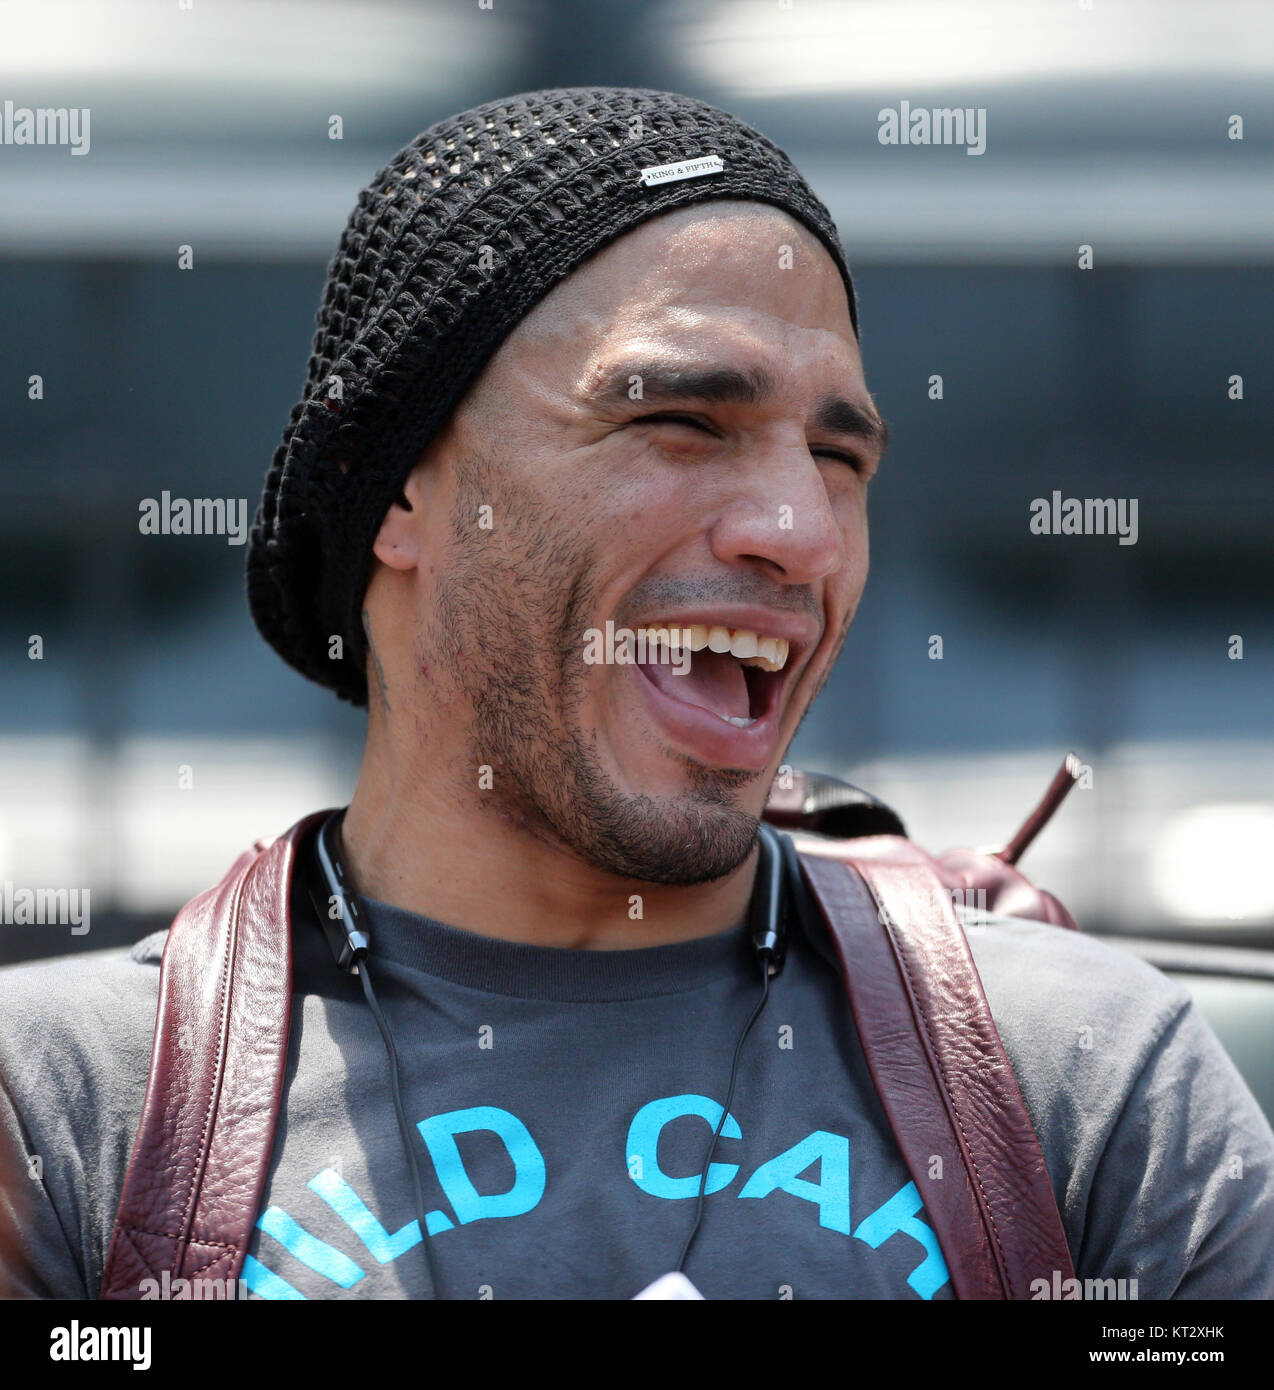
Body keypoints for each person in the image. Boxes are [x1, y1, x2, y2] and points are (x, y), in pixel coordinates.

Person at [2, 87, 1271, 1302]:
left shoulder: (1093, 1081)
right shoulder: (61, 1107)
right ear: (399, 493)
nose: (801, 533)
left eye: (838, 456)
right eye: (675, 420)